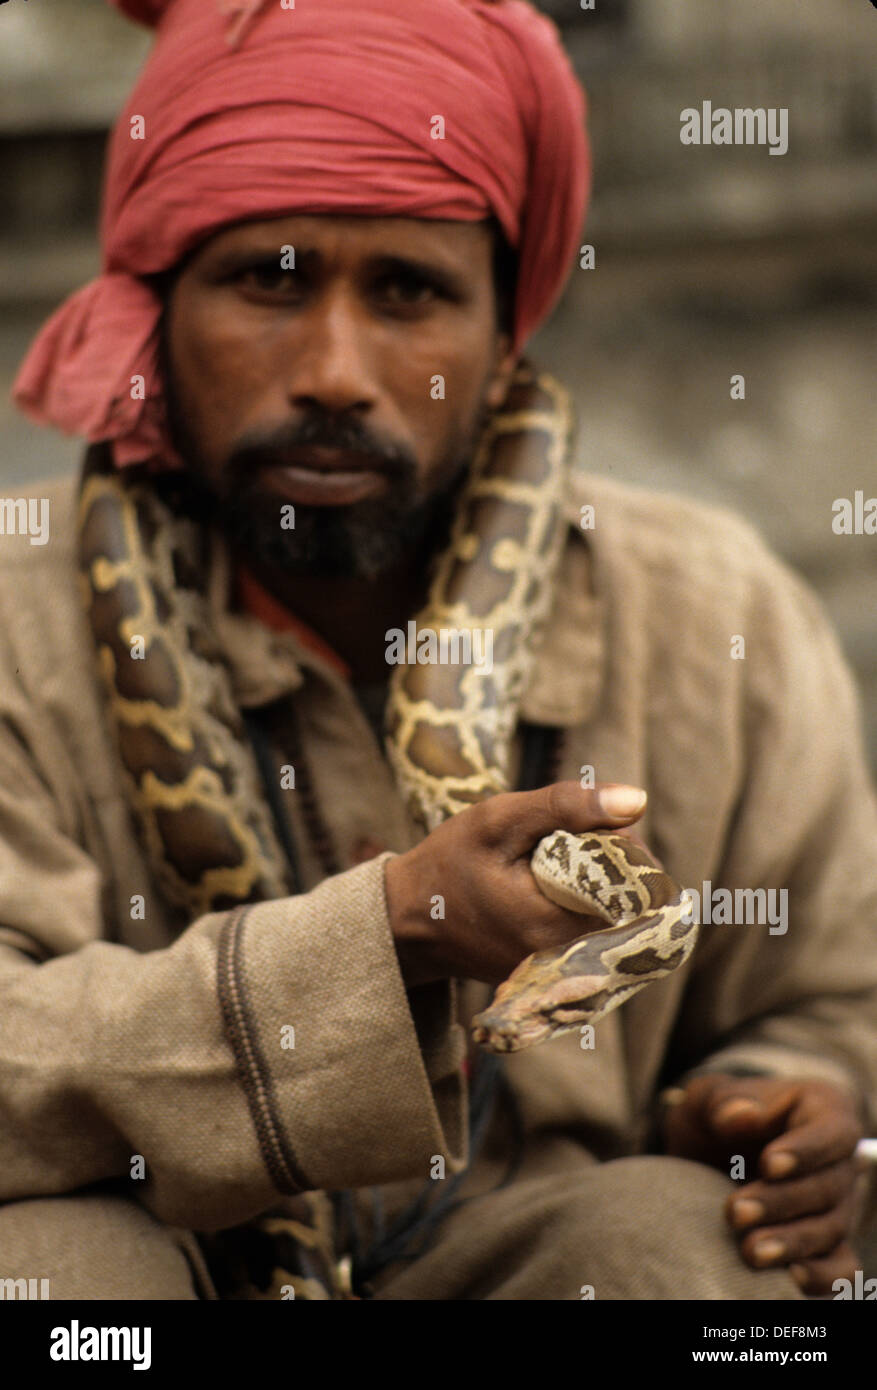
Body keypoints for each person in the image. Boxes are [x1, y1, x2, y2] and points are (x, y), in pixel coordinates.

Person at [3, 0, 875, 1302]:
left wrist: (767, 1109)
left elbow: (820, 999)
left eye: (408, 291)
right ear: (152, 306)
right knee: (55, 1273)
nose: (336, 370)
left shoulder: (706, 612)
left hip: (531, 1250)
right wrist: (388, 930)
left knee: (678, 1248)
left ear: (503, 329)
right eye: (268, 280)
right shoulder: (22, 634)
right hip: (172, 1255)